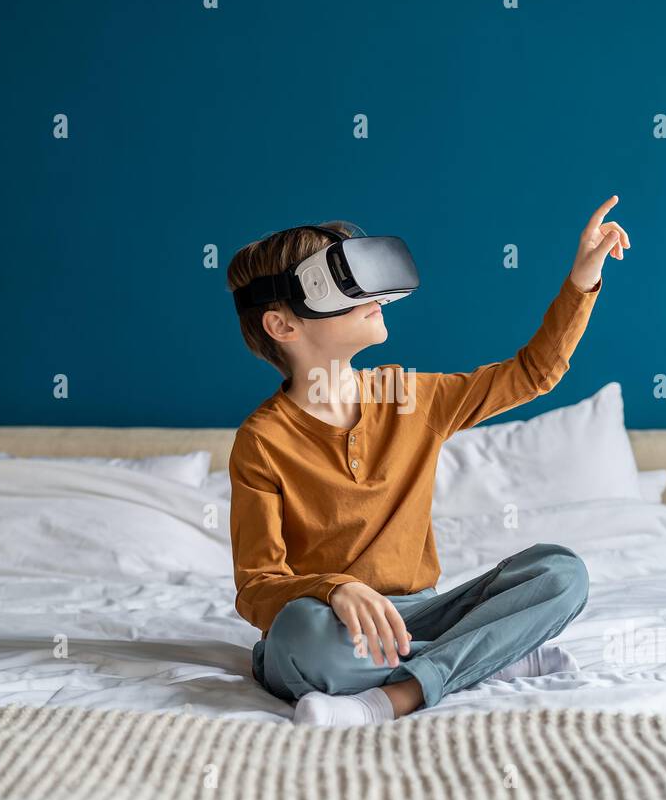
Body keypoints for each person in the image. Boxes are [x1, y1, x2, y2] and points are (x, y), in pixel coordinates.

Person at [226, 197, 629, 725]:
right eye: (343, 283)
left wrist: (582, 279)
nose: (371, 295)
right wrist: (334, 587)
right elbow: (257, 587)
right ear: (283, 326)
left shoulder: (408, 396)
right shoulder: (262, 441)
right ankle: (486, 657)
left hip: (421, 613)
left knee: (561, 573)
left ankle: (393, 698)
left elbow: (532, 373)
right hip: (335, 626)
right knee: (298, 638)